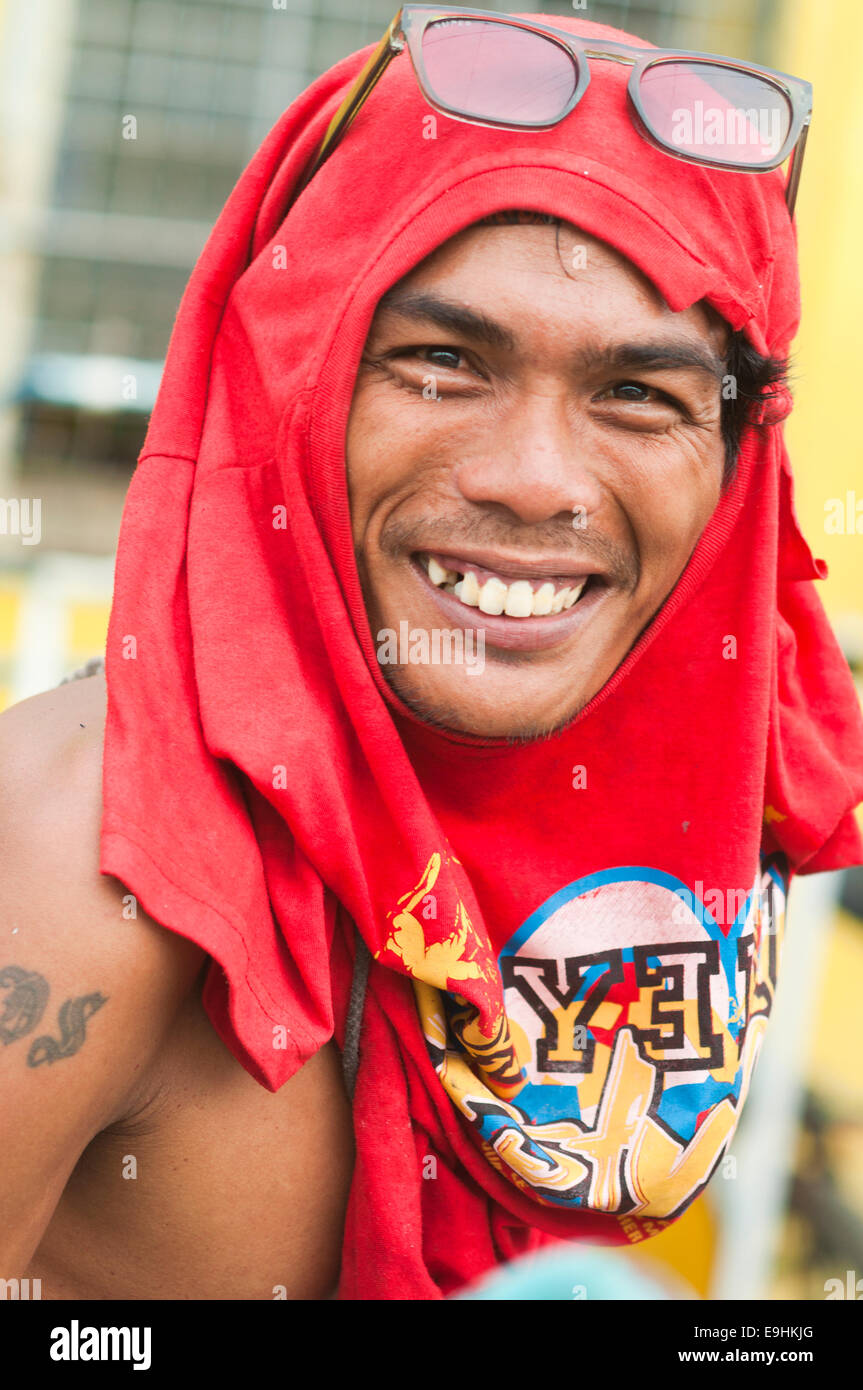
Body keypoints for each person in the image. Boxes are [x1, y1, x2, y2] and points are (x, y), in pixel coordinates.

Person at [2, 10, 862, 1302]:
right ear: (294, 384)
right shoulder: (86, 865)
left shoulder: (703, 819)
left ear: (737, 467)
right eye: (442, 362)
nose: (533, 481)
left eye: (639, 394)